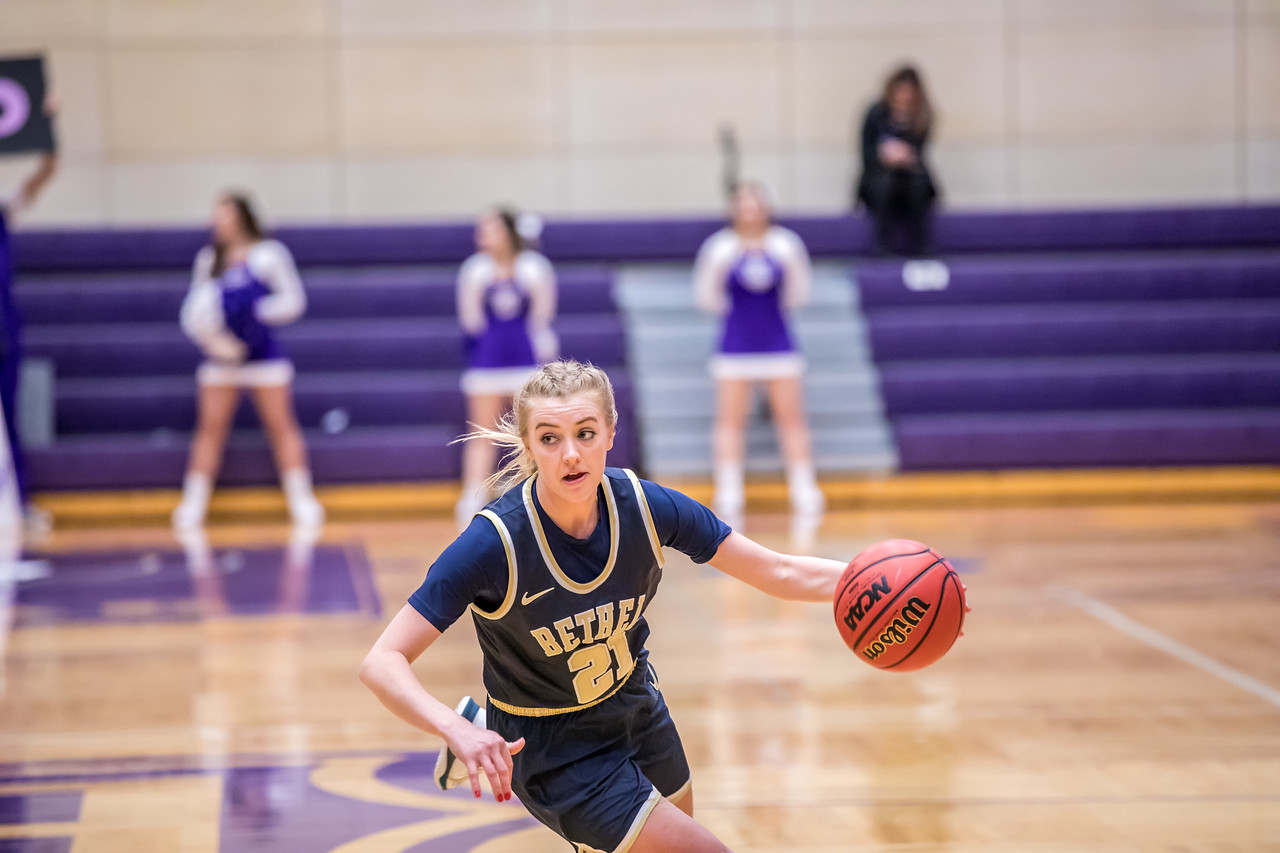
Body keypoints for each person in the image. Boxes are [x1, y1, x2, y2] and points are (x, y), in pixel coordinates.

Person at [359, 359, 847, 853]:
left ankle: (483, 725)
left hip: (635, 706)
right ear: (529, 445)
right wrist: (453, 730)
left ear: (611, 433)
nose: (570, 454)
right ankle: (479, 727)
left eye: (585, 433)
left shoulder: (647, 507)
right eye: (549, 438)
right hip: (553, 749)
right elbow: (381, 662)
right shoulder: (493, 542)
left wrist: (879, 578)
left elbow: (779, 571)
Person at [173, 192, 323, 529]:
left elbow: (294, 300)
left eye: (223, 215)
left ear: (241, 217)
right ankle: (193, 504)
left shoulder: (269, 254)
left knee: (281, 425)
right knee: (209, 429)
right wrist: (218, 333)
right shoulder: (208, 259)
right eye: (215, 215)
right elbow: (194, 310)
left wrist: (254, 314)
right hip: (220, 360)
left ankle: (301, 499)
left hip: (264, 357)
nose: (217, 222)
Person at [693, 181, 825, 521]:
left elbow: (800, 292)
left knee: (791, 416)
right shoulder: (719, 248)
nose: (750, 213)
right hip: (734, 347)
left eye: (756, 206)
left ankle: (803, 488)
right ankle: (729, 491)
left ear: (767, 209)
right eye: (743, 206)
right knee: (730, 419)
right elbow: (706, 295)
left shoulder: (786, 245)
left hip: (779, 344)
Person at [455, 207, 557, 528]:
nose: (482, 236)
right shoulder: (474, 270)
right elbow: (470, 318)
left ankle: (537, 497)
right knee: (480, 432)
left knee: (531, 432)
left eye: (491, 229)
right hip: (486, 362)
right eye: (481, 229)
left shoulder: (534, 268)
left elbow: (543, 313)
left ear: (509, 233)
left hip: (525, 362)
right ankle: (471, 499)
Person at [0, 150, 57, 523]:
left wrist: (45, 126)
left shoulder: (2, 209)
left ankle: (17, 503)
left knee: (8, 418)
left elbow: (42, 174)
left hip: (3, 331)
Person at [854, 64, 938, 257]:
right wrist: (883, 155)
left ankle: (921, 246)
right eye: (900, 91)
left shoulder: (922, 116)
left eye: (908, 93)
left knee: (918, 183)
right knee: (885, 182)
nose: (903, 97)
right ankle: (881, 246)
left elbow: (919, 155)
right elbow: (865, 154)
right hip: (879, 179)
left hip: (909, 181)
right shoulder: (875, 113)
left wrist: (905, 156)